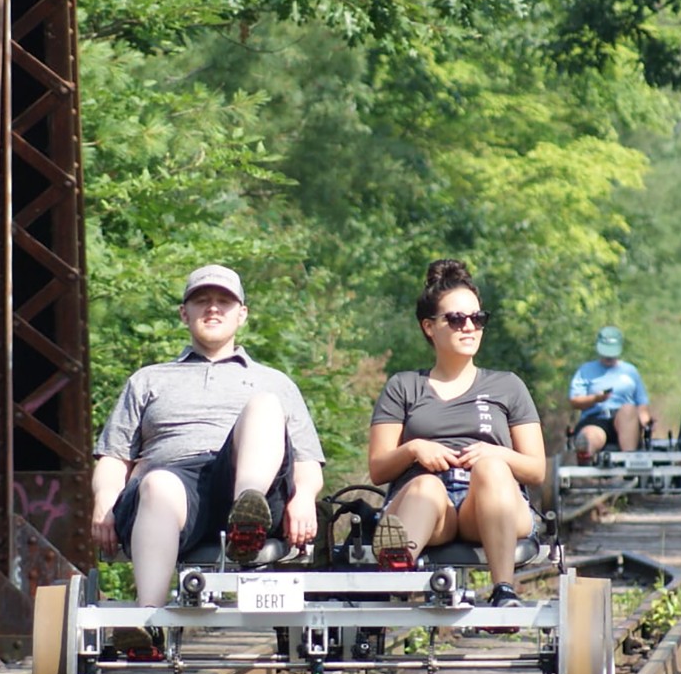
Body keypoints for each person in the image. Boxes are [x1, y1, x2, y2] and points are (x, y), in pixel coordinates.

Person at [90, 265, 325, 624]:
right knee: (156, 482)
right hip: (175, 495)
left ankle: (247, 513)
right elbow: (113, 457)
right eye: (202, 301)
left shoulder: (275, 382)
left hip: (251, 483)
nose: (212, 308)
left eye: (224, 302)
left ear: (242, 314)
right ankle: (149, 622)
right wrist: (105, 503)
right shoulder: (148, 379)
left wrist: (305, 497)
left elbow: (307, 464)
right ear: (185, 314)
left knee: (263, 405)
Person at [367, 259, 546, 612]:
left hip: (493, 503)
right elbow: (378, 468)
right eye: (456, 319)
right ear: (429, 327)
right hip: (434, 510)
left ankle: (503, 590)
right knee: (426, 485)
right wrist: (414, 450)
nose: (469, 327)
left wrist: (495, 455)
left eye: (477, 319)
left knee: (493, 469)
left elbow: (537, 470)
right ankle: (393, 576)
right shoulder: (404, 386)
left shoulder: (507, 385)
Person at [569, 324, 651, 459]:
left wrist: (645, 423)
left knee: (628, 409)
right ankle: (586, 449)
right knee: (591, 434)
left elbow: (642, 405)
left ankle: (629, 460)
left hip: (624, 421)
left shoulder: (630, 371)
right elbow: (574, 401)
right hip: (595, 418)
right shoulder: (585, 370)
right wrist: (595, 399)